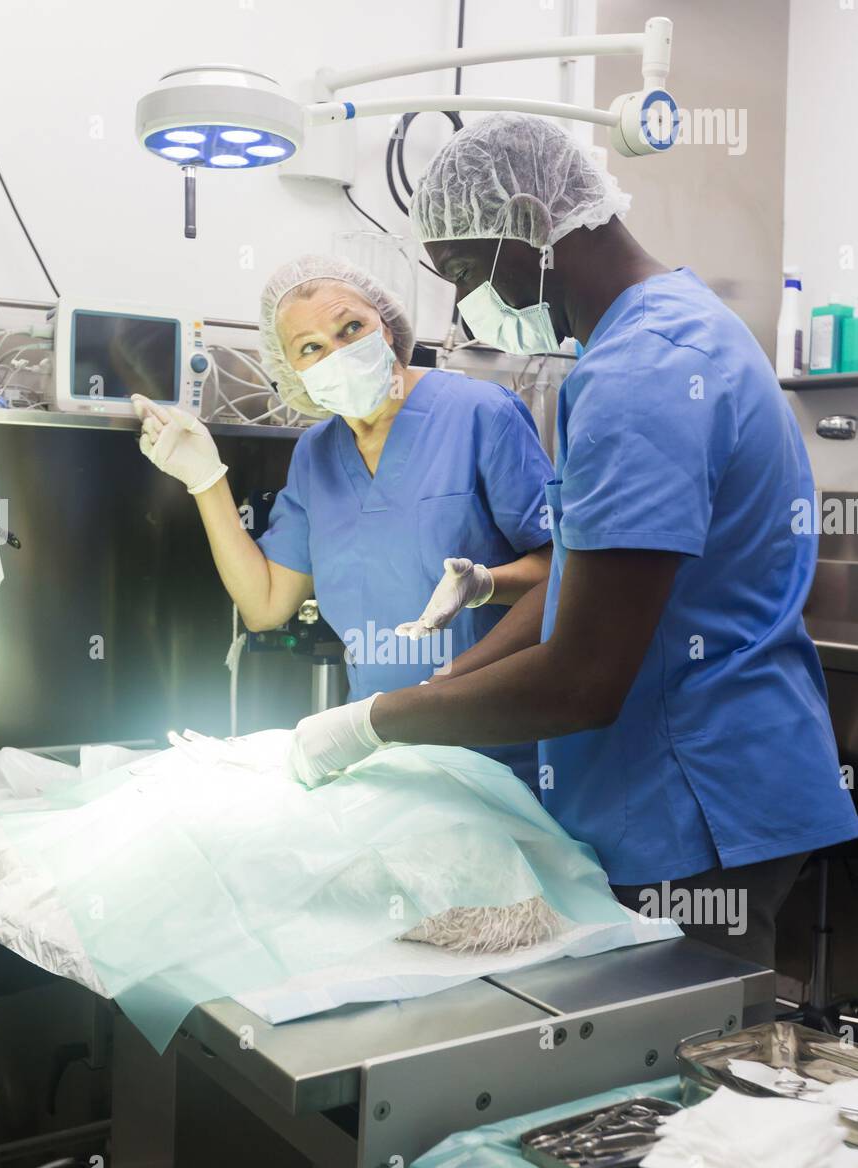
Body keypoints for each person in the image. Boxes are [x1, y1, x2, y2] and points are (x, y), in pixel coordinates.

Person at [287, 114, 858, 968]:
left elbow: (583, 677)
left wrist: (373, 724)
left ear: (525, 224)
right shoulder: (663, 332)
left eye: (462, 273)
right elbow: (574, 590)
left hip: (696, 809)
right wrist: (455, 677)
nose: (458, 307)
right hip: (703, 787)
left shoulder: (644, 374)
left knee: (673, 1070)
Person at [131, 254, 552, 788]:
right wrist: (206, 481)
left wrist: (486, 585)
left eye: (351, 327)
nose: (339, 352)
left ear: (388, 326)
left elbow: (566, 571)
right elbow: (265, 605)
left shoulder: (480, 414)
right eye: (311, 348)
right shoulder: (316, 454)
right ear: (293, 371)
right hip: (378, 750)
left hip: (493, 747)